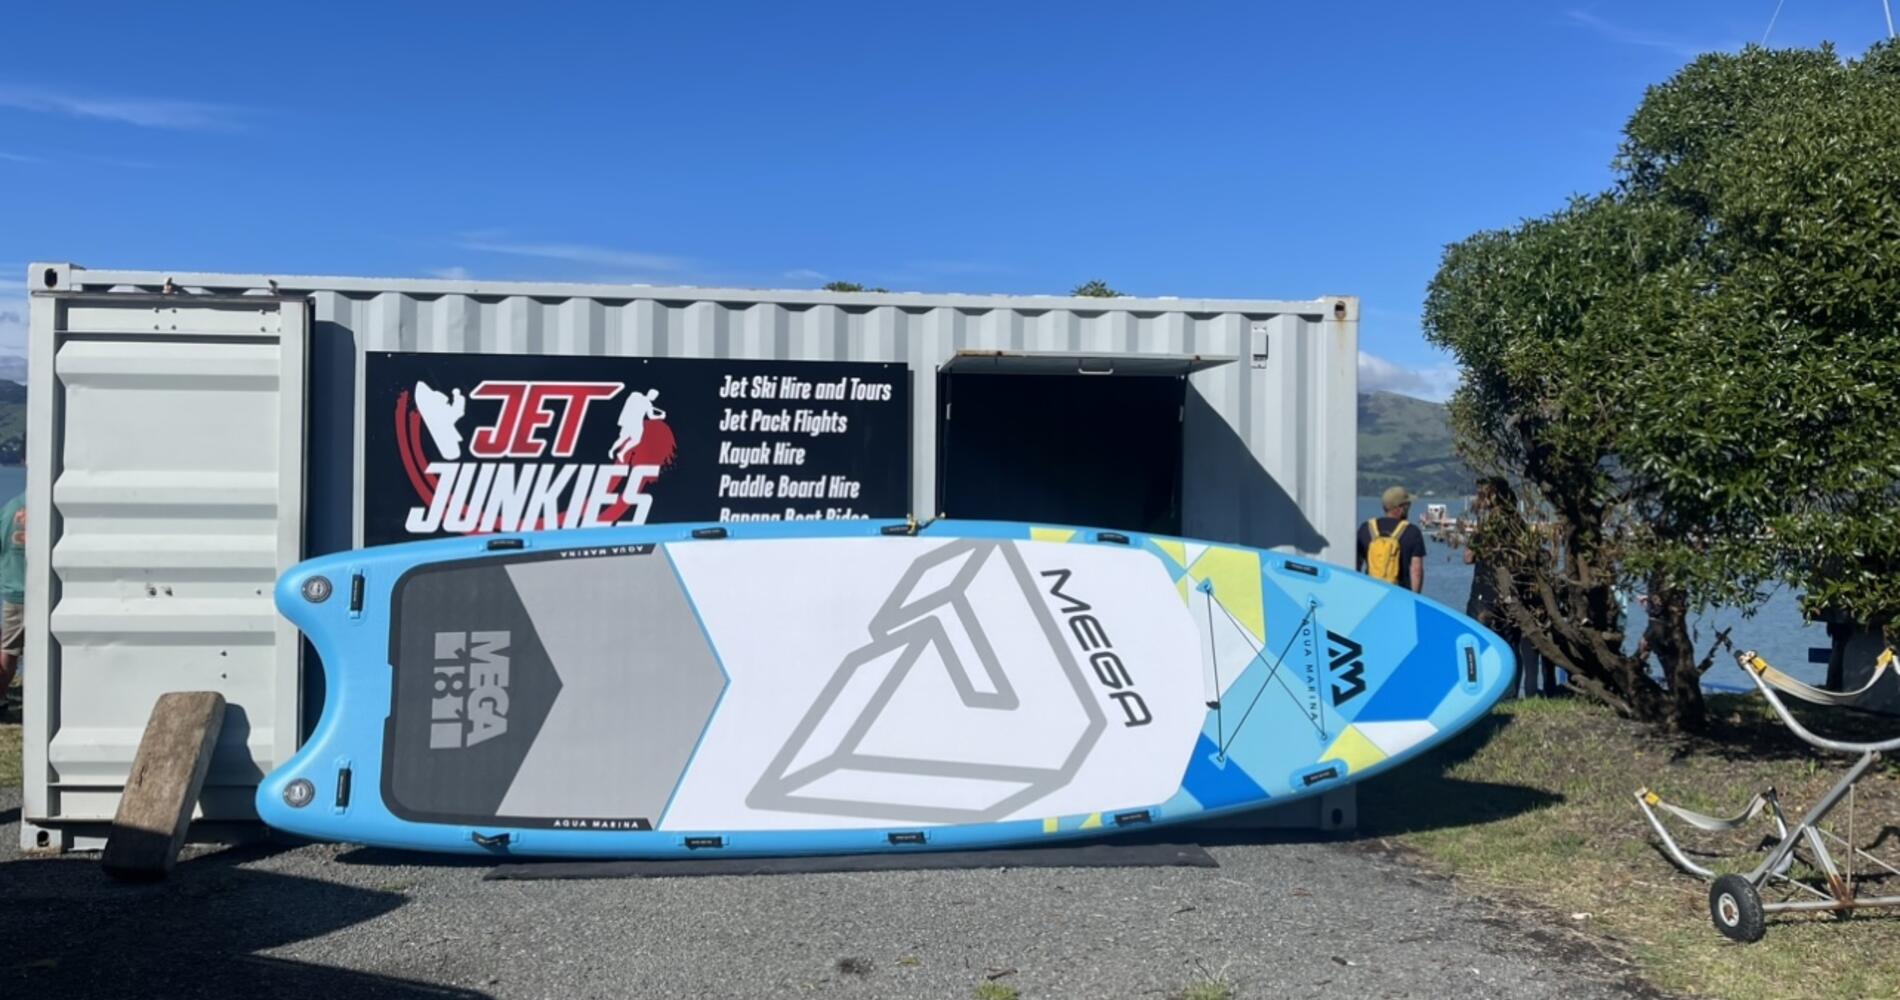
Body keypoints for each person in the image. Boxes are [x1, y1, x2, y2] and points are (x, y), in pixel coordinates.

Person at [1357, 485, 1426, 592]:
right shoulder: (1412, 532)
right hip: (1400, 595)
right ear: (1400, 509)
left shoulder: (1366, 528)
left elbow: (1356, 564)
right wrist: (1415, 598)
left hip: (1371, 593)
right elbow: (1416, 571)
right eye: (1408, 505)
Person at [0, 487, 22, 710]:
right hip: (45, 590)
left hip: (13, 589)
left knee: (9, 649)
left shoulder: (9, 508)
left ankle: (1, 695)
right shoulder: (45, 506)